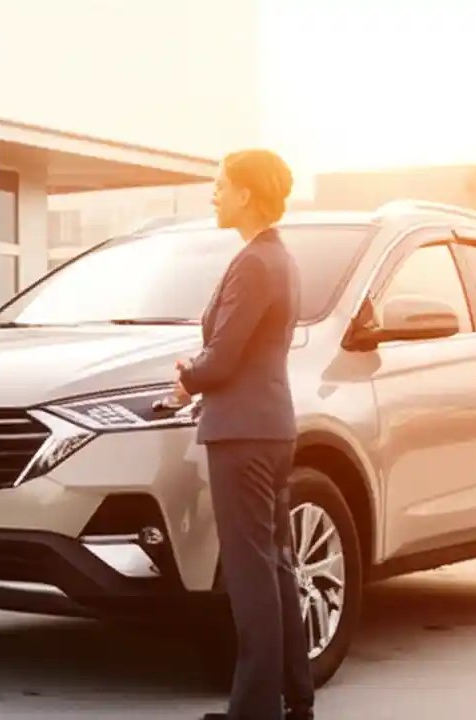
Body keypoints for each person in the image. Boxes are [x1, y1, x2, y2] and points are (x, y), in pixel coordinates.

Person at [171, 149, 315, 720]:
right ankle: (296, 700)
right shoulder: (281, 259)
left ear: (246, 194)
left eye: (220, 184)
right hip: (271, 432)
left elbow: (224, 355)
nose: (213, 194)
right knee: (276, 568)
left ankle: (255, 711)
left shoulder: (254, 263)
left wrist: (186, 378)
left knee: (251, 575)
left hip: (242, 436)